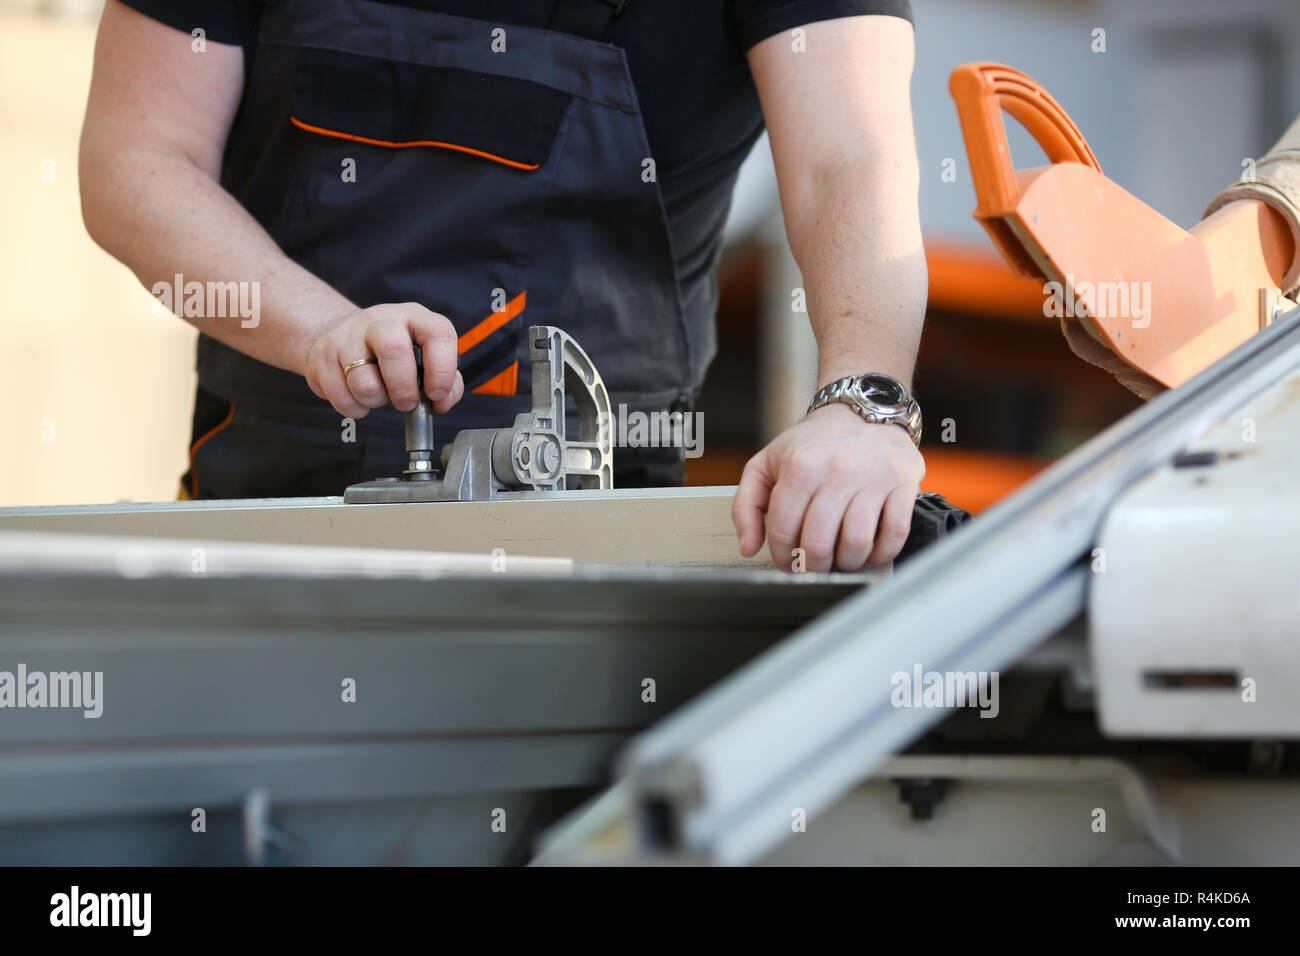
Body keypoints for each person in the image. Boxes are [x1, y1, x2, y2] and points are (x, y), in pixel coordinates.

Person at [80, 0, 927, 571]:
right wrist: (316, 331)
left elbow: (848, 162)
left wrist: (863, 403)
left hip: (600, 550)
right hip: (262, 525)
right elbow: (138, 159)